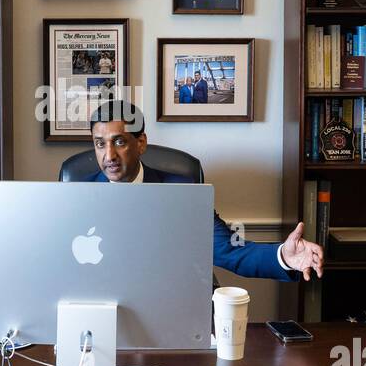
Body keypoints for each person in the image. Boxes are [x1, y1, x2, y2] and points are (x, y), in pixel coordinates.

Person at [83, 100, 323, 281]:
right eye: (100, 143)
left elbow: (228, 250)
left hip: (166, 309)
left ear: (141, 143)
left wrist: (284, 257)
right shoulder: (77, 196)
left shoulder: (183, 192)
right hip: (96, 307)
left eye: (119, 142)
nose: (109, 156)